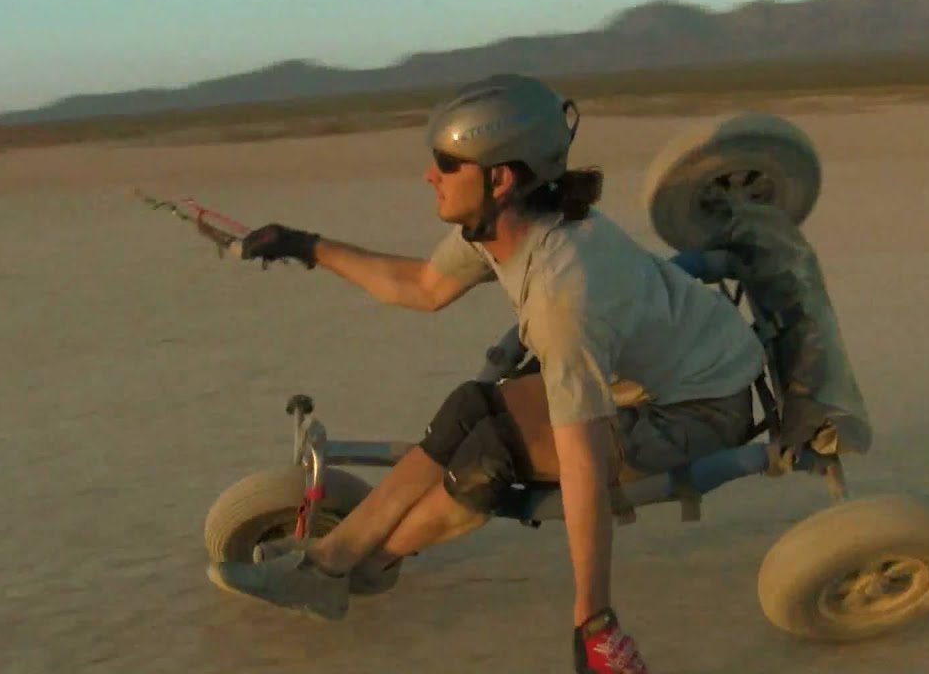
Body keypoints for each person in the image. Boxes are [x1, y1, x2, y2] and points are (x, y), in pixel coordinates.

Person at [206, 73, 768, 674]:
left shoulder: (563, 292)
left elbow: (584, 466)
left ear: (500, 177)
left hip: (697, 407)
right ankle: (329, 565)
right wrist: (303, 244)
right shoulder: (508, 223)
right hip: (670, 362)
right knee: (472, 407)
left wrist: (593, 617)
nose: (429, 175)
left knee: (489, 461)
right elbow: (420, 286)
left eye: (447, 164)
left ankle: (369, 565)